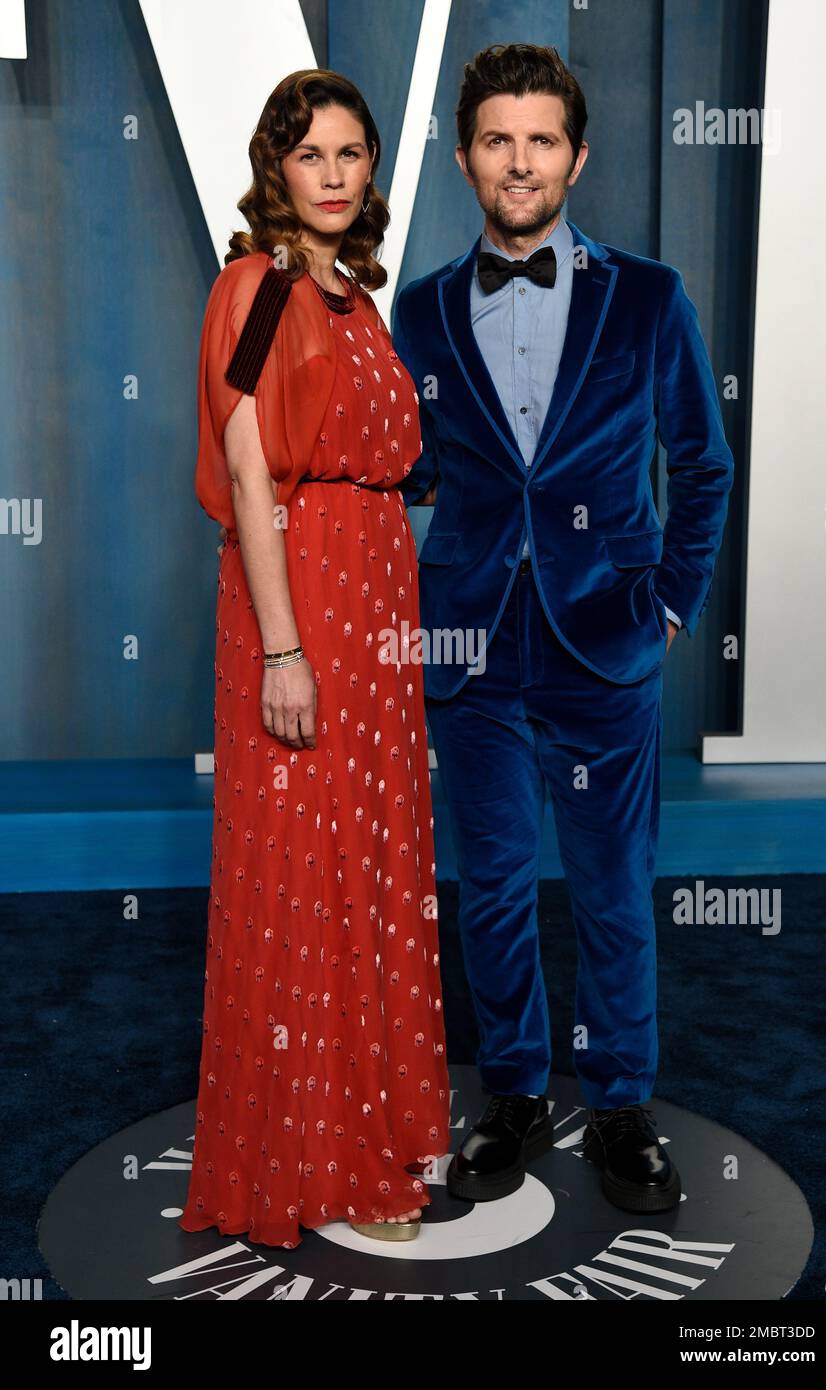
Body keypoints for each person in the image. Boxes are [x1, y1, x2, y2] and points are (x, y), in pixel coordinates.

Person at [392, 43, 734, 1213]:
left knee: (610, 885)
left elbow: (702, 464)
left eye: (541, 139)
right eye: (497, 139)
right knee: (486, 882)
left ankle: (623, 1098)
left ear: (576, 156)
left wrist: (672, 603)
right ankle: (514, 1093)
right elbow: (410, 473)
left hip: (606, 642)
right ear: (463, 157)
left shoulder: (647, 296)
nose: (519, 161)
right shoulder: (425, 306)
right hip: (472, 648)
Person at [179, 68, 451, 1250]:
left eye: (352, 156)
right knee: (307, 867)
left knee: (376, 857)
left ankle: (381, 1125)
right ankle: (316, 1157)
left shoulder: (354, 295)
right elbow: (248, 477)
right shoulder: (253, 286)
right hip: (298, 596)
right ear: (274, 167)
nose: (334, 177)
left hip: (378, 593)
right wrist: (282, 650)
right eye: (311, 156)